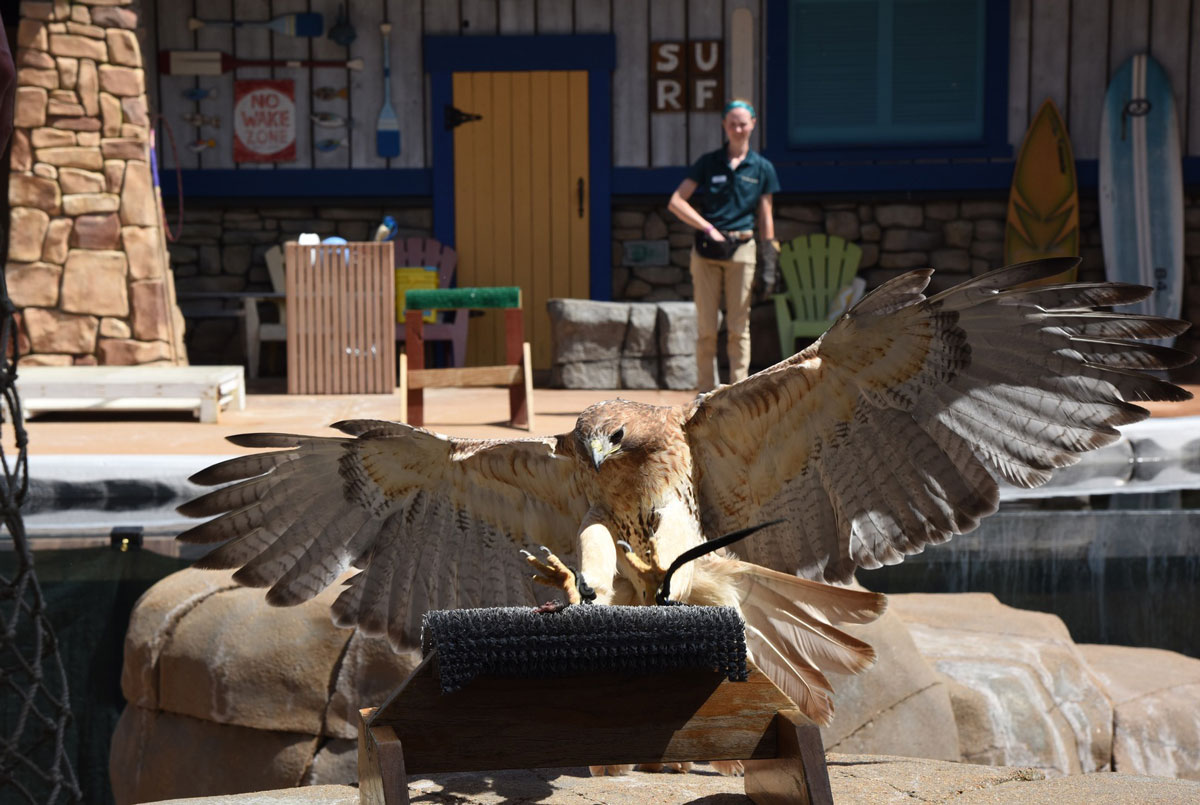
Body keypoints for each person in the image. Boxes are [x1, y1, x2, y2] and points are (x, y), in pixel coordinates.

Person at [668, 100, 780, 391]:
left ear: (753, 124)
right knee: (706, 327)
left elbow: (766, 216)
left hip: (743, 248)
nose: (738, 129)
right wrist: (707, 227)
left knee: (738, 327)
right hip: (708, 250)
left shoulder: (763, 168)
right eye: (732, 123)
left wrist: (769, 261)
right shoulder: (709, 162)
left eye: (743, 123)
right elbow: (677, 201)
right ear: (724, 126)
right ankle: (705, 393)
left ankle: (738, 392)